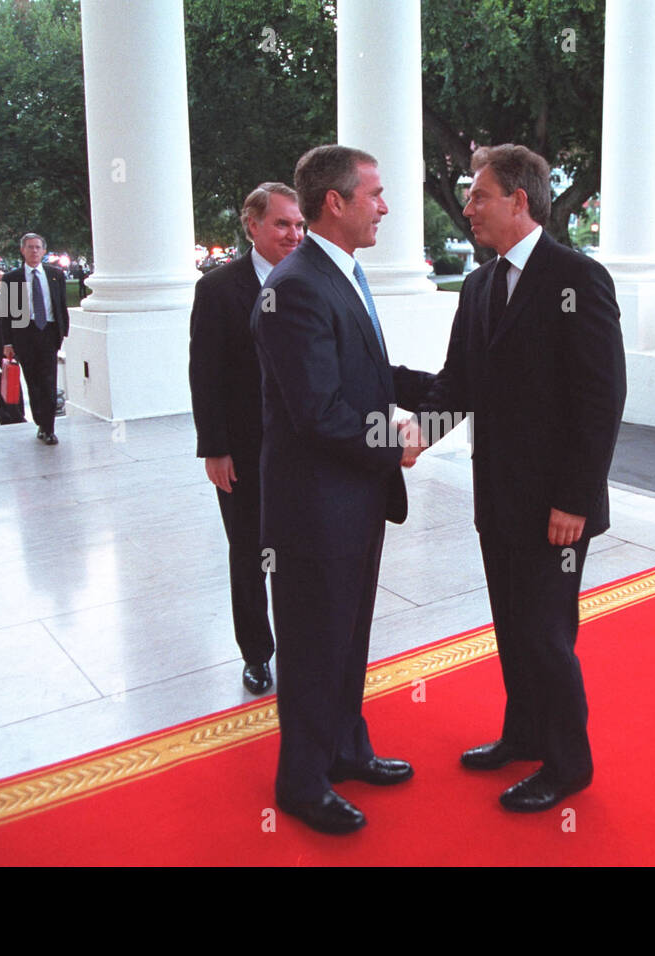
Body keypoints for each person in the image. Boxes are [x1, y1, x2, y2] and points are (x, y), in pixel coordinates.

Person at [414, 144, 626, 813]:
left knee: (546, 632)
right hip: (497, 499)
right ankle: (524, 734)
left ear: (519, 200)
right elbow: (459, 386)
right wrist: (408, 435)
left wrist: (575, 498)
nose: (468, 208)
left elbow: (602, 397)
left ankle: (569, 763)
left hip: (556, 506)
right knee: (512, 624)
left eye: (478, 195)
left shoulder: (577, 279)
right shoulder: (478, 285)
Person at [251, 145, 433, 835]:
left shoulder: (340, 274)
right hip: (314, 510)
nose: (385, 205)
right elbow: (321, 411)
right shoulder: (295, 286)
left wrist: (448, 389)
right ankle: (301, 781)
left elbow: (369, 374)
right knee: (310, 643)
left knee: (346, 634)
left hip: (352, 500)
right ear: (337, 201)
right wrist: (404, 439)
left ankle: (346, 748)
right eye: (376, 193)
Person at [189, 182, 304, 695]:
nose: (294, 234)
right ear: (252, 226)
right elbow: (205, 373)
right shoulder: (217, 291)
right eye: (282, 224)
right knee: (249, 555)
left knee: (301, 552)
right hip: (244, 449)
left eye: (300, 224)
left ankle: (305, 647)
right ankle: (257, 653)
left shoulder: (313, 279)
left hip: (305, 448)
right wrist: (214, 446)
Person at [0, 234, 70, 444]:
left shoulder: (55, 274)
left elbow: (61, 304)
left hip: (48, 333)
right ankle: (40, 421)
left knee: (49, 381)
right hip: (24, 334)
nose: (34, 251)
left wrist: (62, 333)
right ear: (23, 250)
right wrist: (7, 342)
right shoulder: (12, 278)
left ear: (44, 251)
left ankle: (49, 428)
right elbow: (5, 313)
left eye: (38, 247)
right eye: (30, 247)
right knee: (33, 382)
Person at [0, 269, 26, 425]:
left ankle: (12, 414)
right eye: (1, 279)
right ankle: (12, 415)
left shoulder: (0, 298)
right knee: (6, 382)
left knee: (7, 381)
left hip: (2, 350)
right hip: (1, 351)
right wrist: (7, 346)